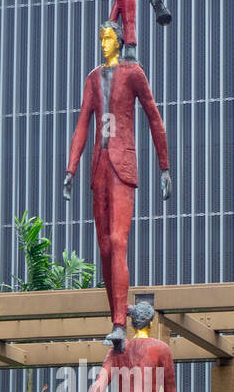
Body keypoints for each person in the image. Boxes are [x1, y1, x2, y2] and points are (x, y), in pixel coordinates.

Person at [64, 26, 171, 350]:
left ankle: (118, 325)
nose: (103, 43)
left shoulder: (133, 72)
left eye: (108, 37)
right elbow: (83, 122)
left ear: (120, 42)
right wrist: (71, 168)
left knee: (117, 240)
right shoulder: (93, 78)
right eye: (100, 38)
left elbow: (154, 117)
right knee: (105, 250)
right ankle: (118, 313)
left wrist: (164, 167)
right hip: (99, 168)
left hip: (122, 166)